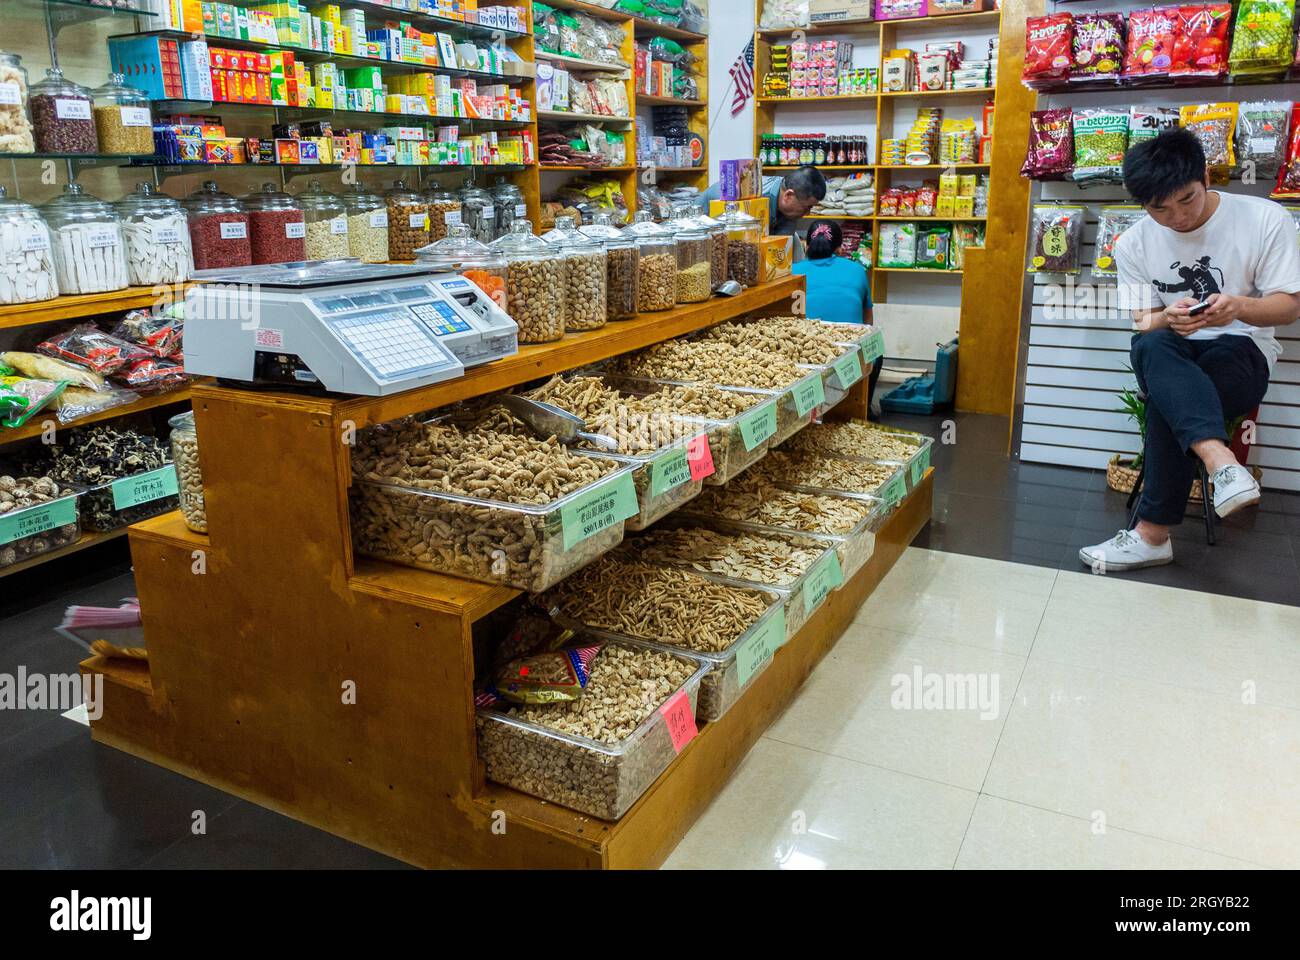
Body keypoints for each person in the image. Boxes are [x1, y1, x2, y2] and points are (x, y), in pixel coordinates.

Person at [1079, 127, 1300, 572]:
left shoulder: (1264, 218)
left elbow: (1289, 307)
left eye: (1187, 200)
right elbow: (1142, 319)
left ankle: (1152, 537)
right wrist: (1168, 316)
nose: (1176, 217)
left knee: (1169, 397)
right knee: (1153, 341)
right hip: (1172, 352)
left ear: (1206, 177)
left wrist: (1237, 306)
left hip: (1241, 353)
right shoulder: (1133, 242)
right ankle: (1222, 463)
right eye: (1159, 209)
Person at [791, 219, 884, 415]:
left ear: (806, 246)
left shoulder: (793, 272)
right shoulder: (857, 270)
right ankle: (864, 406)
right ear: (840, 249)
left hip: (804, 352)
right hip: (850, 355)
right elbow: (868, 322)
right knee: (876, 350)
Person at [702, 165, 827, 244]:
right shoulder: (752, 201)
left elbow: (780, 246)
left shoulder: (789, 210)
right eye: (807, 207)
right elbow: (738, 249)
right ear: (788, 195)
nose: (807, 213)